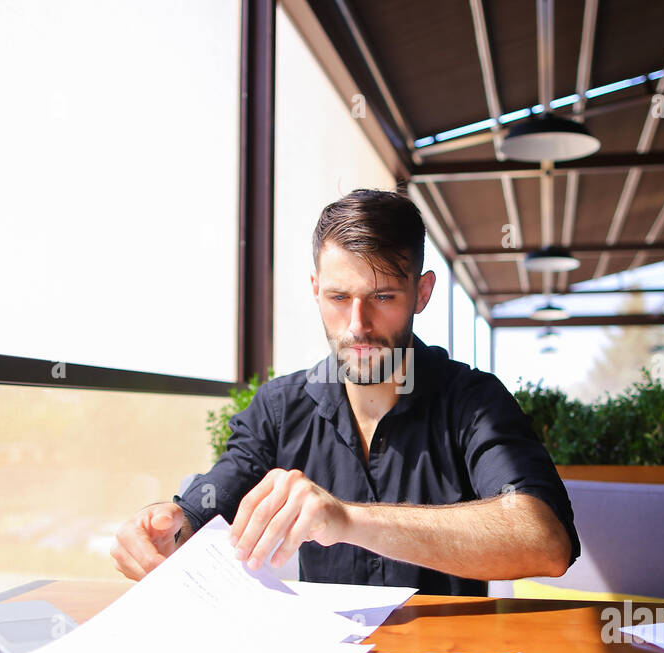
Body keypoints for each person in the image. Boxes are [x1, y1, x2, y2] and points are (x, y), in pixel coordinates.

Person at [111, 188, 580, 595]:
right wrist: (167, 527)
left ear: (421, 293)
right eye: (339, 298)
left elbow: (545, 541)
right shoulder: (279, 408)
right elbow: (210, 504)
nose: (358, 326)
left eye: (383, 297)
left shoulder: (473, 402)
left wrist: (348, 520)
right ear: (316, 290)